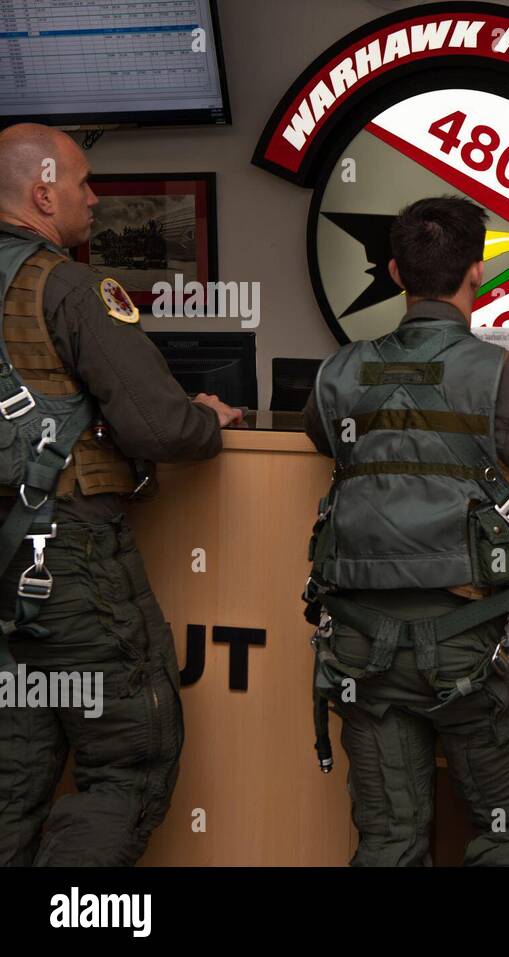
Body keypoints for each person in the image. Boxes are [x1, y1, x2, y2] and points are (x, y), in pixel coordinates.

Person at [302, 196, 509, 866]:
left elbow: (322, 436)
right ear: (478, 274)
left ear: (396, 271)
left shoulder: (336, 374)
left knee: (389, 839)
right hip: (468, 647)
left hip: (361, 646)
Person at [0, 123, 241, 866]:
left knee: (13, 771)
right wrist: (204, 418)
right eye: (81, 183)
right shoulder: (64, 285)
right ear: (43, 194)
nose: (94, 198)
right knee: (128, 757)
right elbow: (159, 425)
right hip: (68, 561)